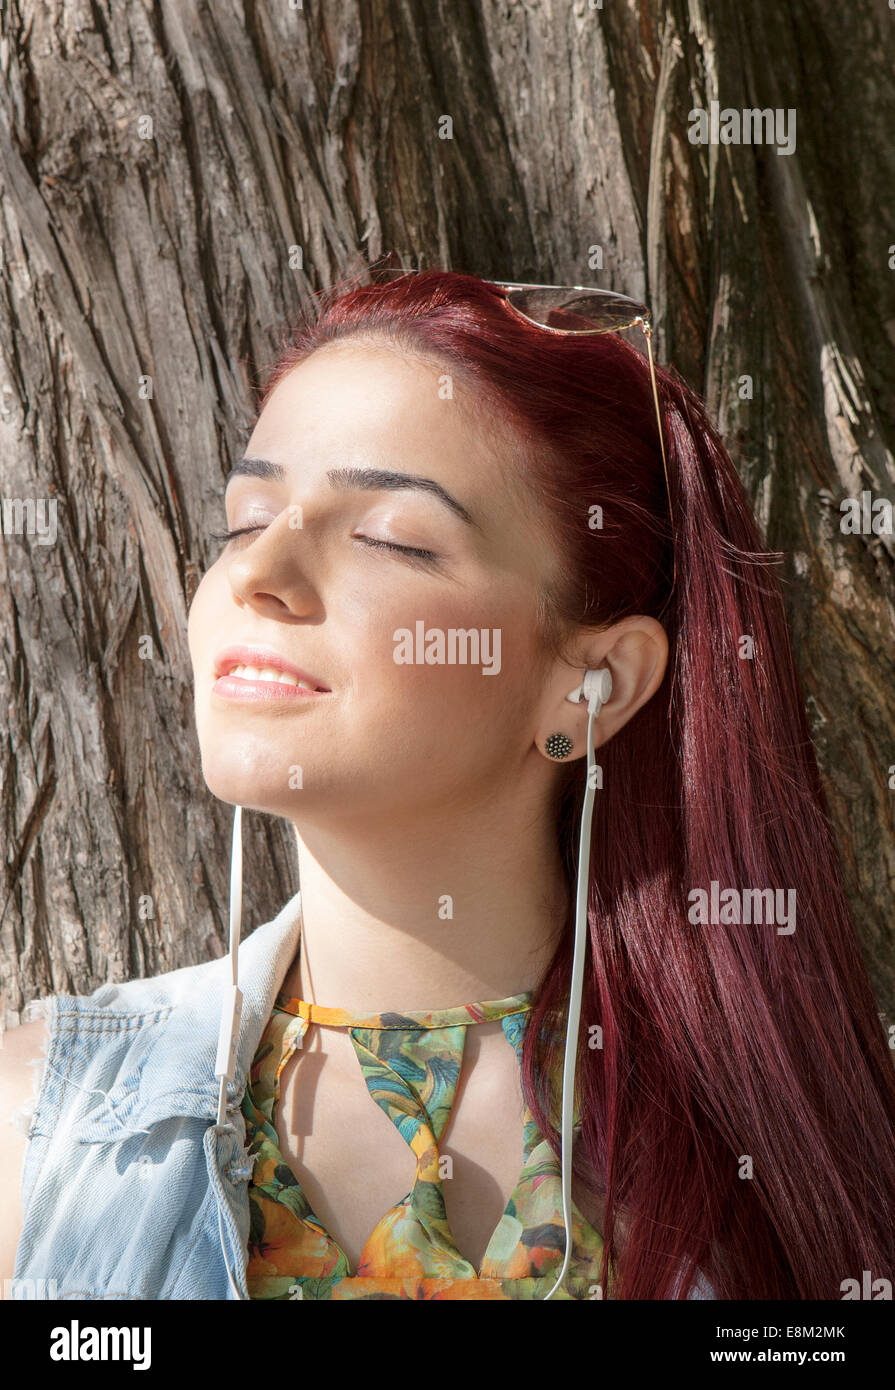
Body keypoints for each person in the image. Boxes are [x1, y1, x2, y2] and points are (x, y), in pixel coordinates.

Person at [3, 268, 894, 1300]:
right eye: (247, 519)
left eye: (389, 536)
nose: (259, 573)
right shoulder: (35, 1133)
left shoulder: (786, 1174)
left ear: (588, 683)